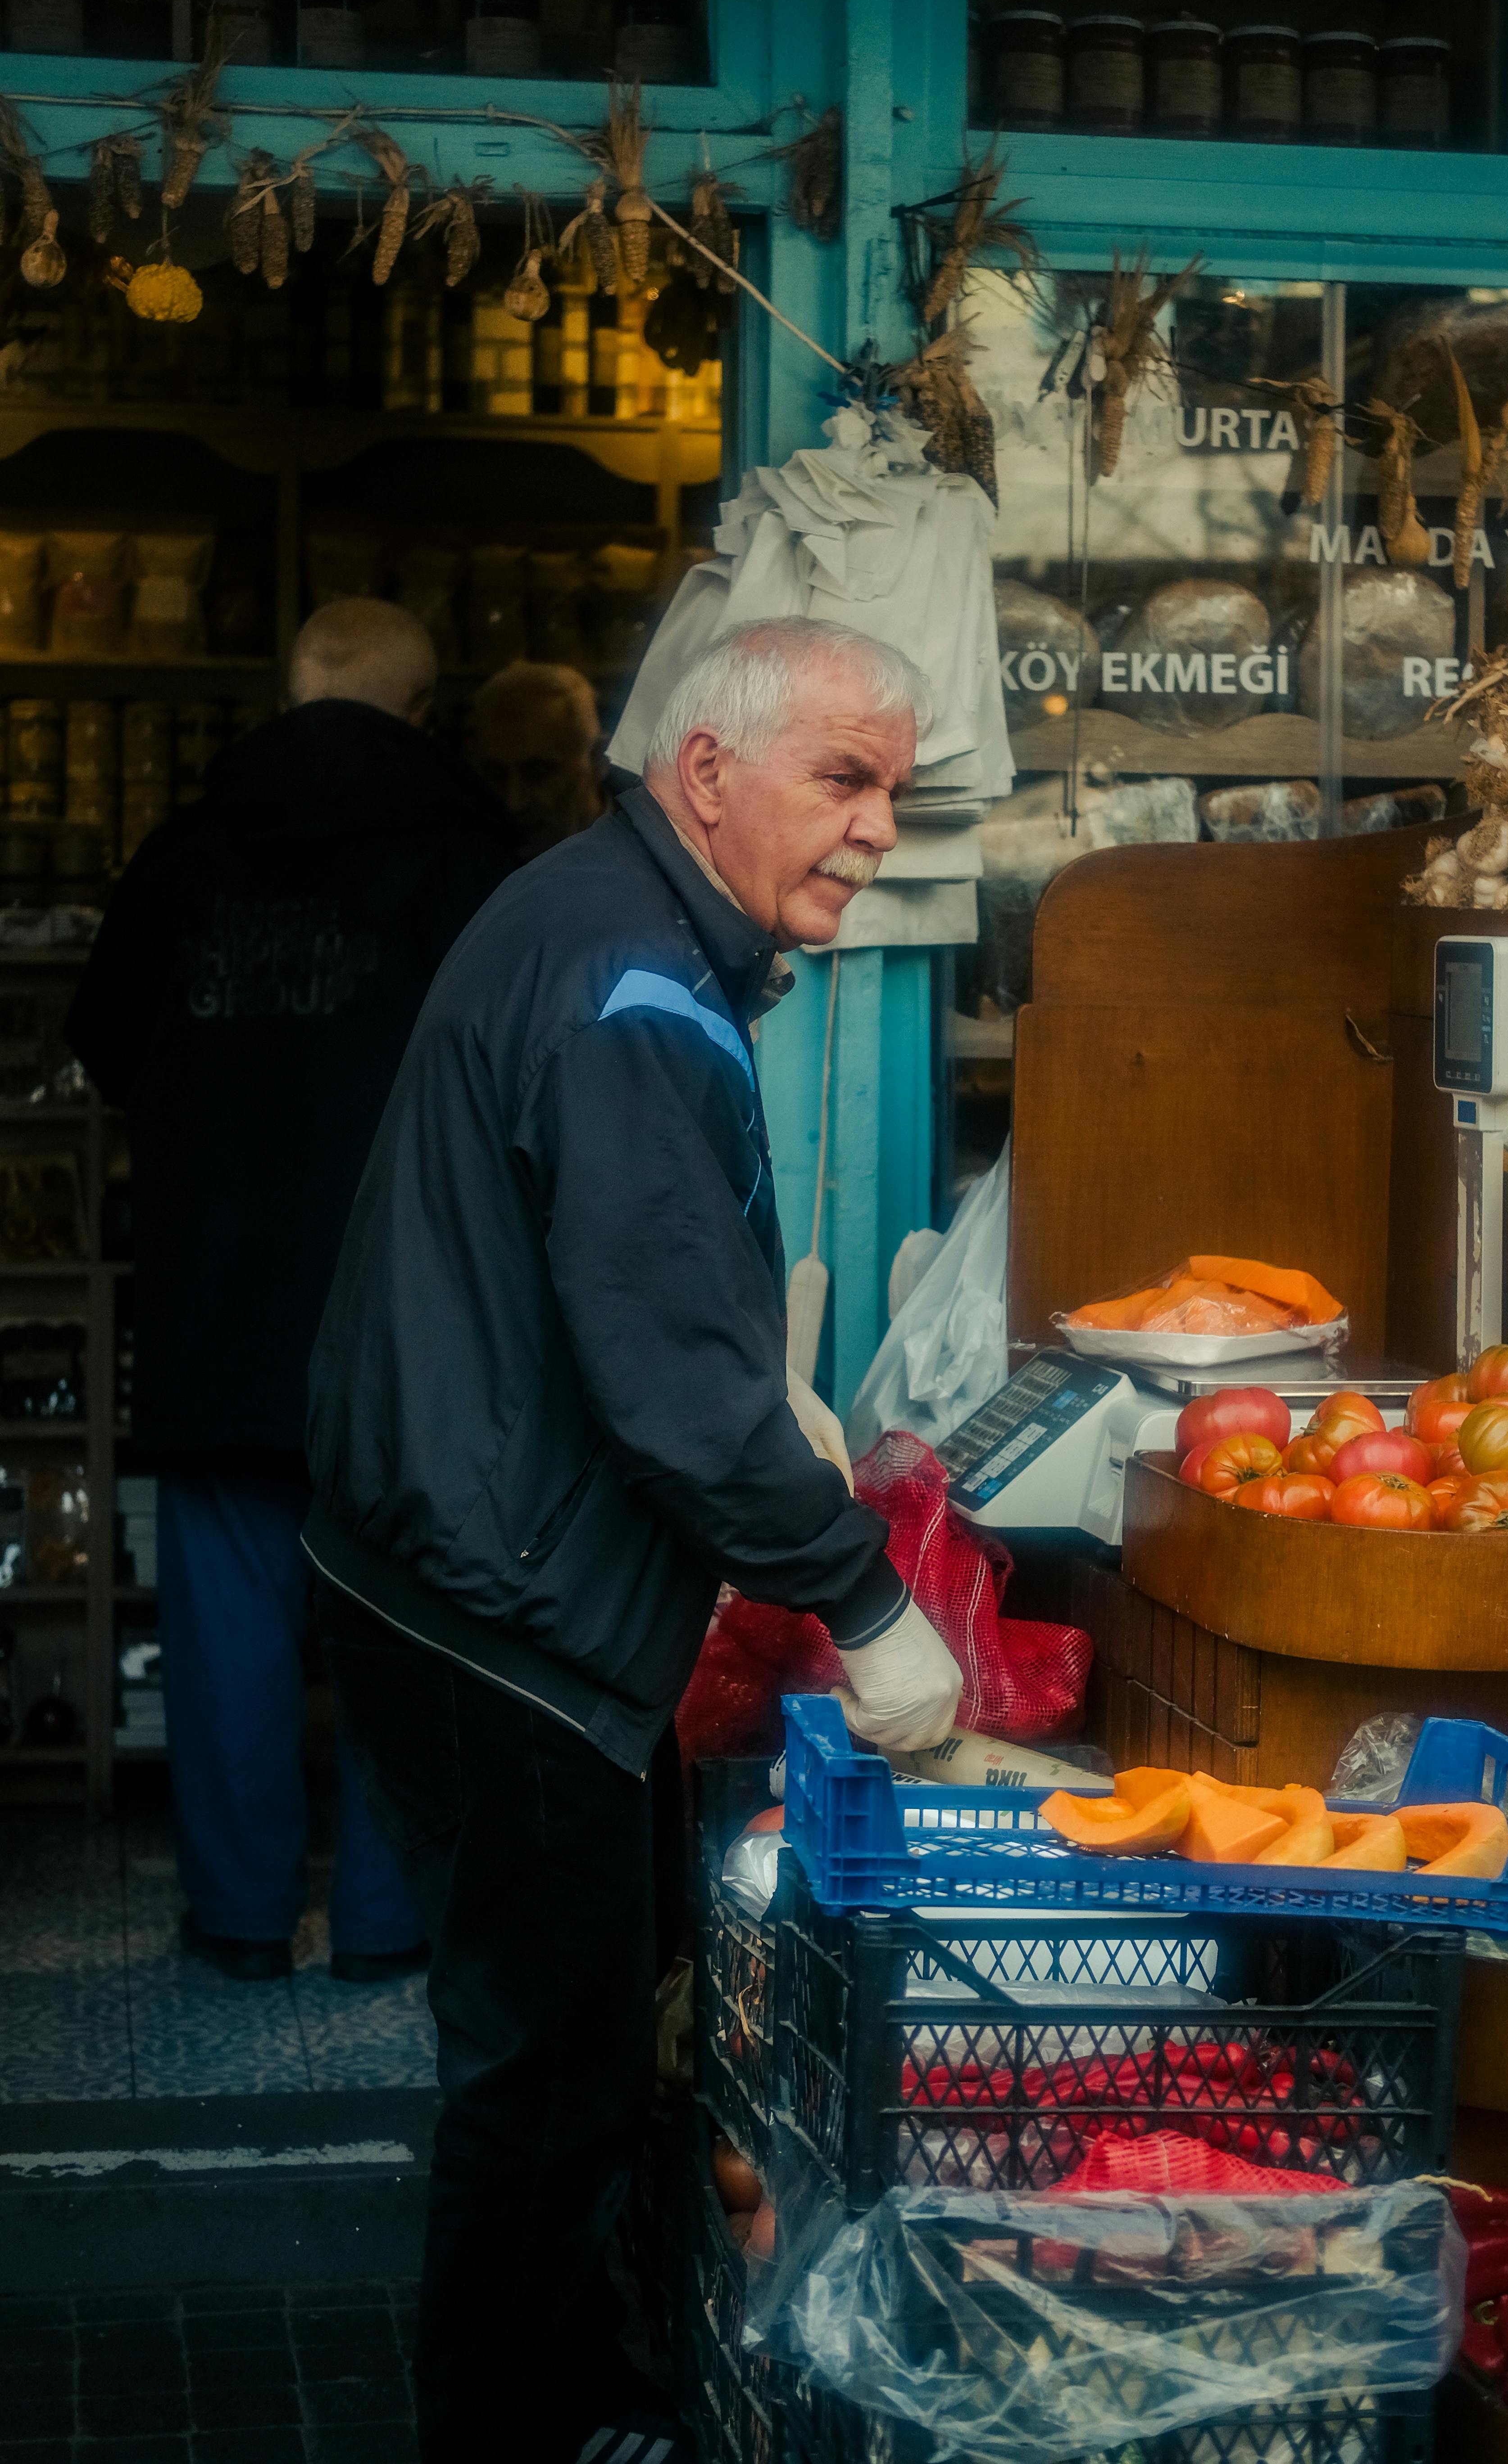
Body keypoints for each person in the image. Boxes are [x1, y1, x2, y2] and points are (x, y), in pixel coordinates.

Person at [305, 615, 963, 2464]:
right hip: (499, 1608)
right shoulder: (628, 983)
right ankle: (514, 2428)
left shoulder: (609, 920)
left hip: (459, 1558)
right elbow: (671, 1375)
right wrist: (861, 1595)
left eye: (893, 790)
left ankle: (571, 2386)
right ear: (706, 772)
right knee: (546, 2078)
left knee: (565, 2053)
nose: (874, 826)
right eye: (842, 778)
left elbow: (634, 1302)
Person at [65, 597, 519, 1984]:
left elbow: (103, 1045)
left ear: (286, 695)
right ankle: (385, 1924)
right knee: (397, 1627)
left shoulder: (180, 855)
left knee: (223, 1628)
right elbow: (525, 1077)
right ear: (424, 714)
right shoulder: (469, 860)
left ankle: (239, 1915)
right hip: (407, 1321)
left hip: (214, 1305)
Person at [466, 657, 605, 854]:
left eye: (538, 773)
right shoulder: (470, 859)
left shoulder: (644, 852)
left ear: (598, 759)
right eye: (496, 775)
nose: (514, 803)